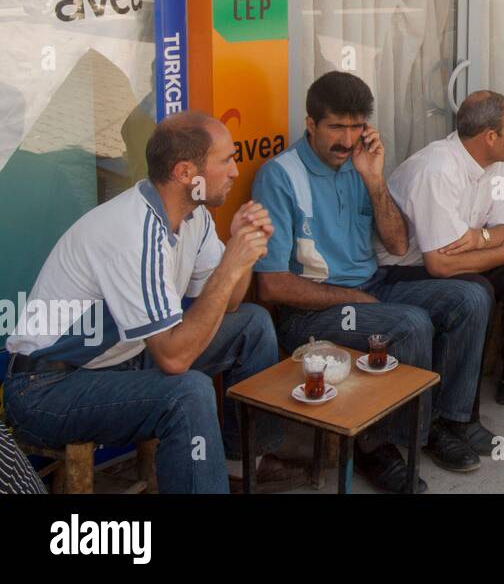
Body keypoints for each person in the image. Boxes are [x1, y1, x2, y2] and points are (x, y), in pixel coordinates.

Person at [5, 112, 303, 494]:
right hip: (47, 388)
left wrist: (241, 254)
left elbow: (227, 304)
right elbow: (174, 358)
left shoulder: (195, 217)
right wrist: (232, 263)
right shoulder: (133, 234)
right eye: (226, 160)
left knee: (252, 324)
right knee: (189, 392)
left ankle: (241, 464)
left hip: (115, 362)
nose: (235, 170)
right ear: (185, 173)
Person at [252, 73, 491, 490]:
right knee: (409, 323)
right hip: (309, 313)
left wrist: (375, 178)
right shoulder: (280, 177)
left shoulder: (358, 165)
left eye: (357, 127)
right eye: (336, 128)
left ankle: (441, 421)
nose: (348, 140)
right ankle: (376, 448)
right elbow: (271, 286)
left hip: (372, 287)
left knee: (469, 296)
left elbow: (398, 244)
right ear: (310, 124)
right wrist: (355, 300)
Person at [379, 90, 504, 455]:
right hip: (402, 273)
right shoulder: (437, 169)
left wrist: (479, 237)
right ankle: (453, 418)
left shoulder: (494, 163)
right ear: (490, 137)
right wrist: (502, 245)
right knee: (476, 289)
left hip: (448, 259)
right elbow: (440, 264)